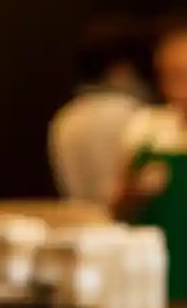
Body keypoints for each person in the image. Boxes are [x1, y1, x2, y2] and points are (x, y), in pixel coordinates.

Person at [113, 22, 187, 301]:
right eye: (168, 76)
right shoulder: (146, 127)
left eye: (182, 74)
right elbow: (116, 210)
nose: (176, 87)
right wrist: (136, 189)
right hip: (152, 276)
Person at [48, 29, 148, 205]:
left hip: (83, 222)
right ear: (122, 71)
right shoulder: (130, 114)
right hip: (121, 223)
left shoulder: (67, 116)